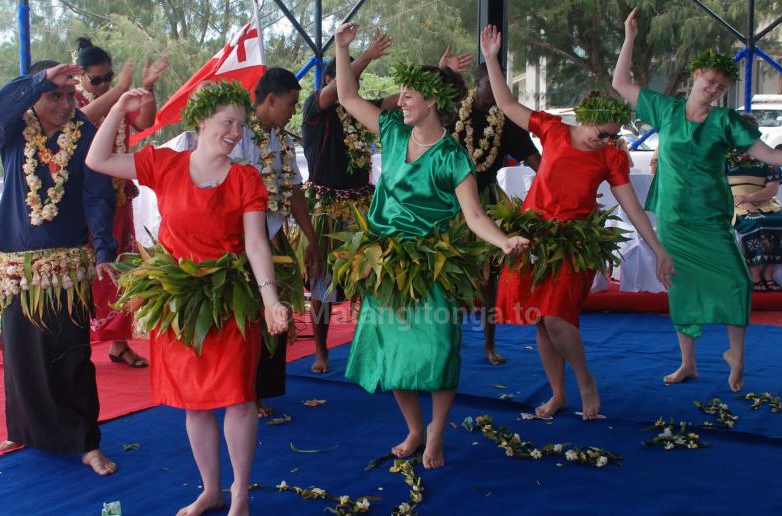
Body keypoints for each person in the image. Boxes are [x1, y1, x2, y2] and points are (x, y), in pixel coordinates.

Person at [612, 7, 782, 391]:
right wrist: (630, 36)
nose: (714, 88)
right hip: (674, 218)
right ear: (695, 76)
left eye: (721, 85)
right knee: (681, 286)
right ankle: (688, 363)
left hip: (711, 218)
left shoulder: (727, 122)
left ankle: (735, 356)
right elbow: (620, 83)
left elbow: (769, 155)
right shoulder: (666, 110)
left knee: (738, 281)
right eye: (710, 80)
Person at [86, 81, 288, 516]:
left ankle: (239, 494)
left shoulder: (245, 177)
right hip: (178, 303)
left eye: (241, 124)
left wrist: (270, 299)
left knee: (237, 397)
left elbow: (256, 244)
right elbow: (97, 159)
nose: (236, 132)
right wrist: (119, 109)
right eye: (227, 122)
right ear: (201, 121)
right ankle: (211, 489)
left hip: (229, 301)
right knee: (193, 402)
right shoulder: (165, 164)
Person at [334, 22, 529, 469]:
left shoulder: (452, 156)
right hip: (388, 263)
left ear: (431, 102)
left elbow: (476, 216)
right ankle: (415, 429)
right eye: (400, 94)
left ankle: (436, 435)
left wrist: (503, 240)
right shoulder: (392, 131)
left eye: (408, 94)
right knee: (394, 353)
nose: (399, 100)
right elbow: (346, 97)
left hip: (432, 265)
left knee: (439, 352)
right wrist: (345, 50)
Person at [480, 26, 673, 420]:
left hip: (574, 243)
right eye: (604, 134)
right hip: (533, 239)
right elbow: (506, 103)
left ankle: (585, 380)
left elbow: (633, 208)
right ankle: (558, 393)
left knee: (555, 316)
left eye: (614, 136)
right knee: (541, 321)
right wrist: (491, 59)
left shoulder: (610, 158)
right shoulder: (552, 130)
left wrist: (659, 250)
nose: (607, 141)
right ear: (586, 119)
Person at [0, 61, 118, 475]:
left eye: (69, 95)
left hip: (65, 267)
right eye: (54, 96)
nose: (65, 104)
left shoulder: (85, 135)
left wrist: (104, 250)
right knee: (20, 357)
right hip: (16, 268)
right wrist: (39, 79)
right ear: (35, 96)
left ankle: (85, 442)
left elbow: (99, 196)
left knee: (72, 355)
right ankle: (25, 429)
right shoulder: (12, 130)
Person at [163, 68, 318, 418]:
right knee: (242, 318)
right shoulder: (234, 134)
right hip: (232, 245)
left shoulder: (283, 140)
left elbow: (293, 190)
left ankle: (259, 390)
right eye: (291, 103)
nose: (294, 110)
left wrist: (310, 239)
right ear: (271, 99)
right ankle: (237, 391)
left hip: (272, 237)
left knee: (273, 316)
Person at [301, 30, 395, 374]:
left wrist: (435, 77)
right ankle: (321, 351)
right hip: (327, 208)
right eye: (343, 76)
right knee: (323, 285)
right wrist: (365, 54)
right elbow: (340, 87)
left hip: (361, 209)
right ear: (330, 81)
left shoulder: (359, 110)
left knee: (370, 279)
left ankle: (371, 346)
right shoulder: (314, 109)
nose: (349, 85)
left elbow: (394, 100)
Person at [73, 37, 169, 367]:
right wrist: (117, 94)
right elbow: (80, 120)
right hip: (82, 205)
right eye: (96, 80)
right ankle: (77, 344)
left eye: (108, 78)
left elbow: (143, 122)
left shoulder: (119, 96)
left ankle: (119, 343)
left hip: (116, 197)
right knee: (85, 273)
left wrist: (147, 87)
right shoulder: (69, 101)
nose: (103, 85)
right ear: (80, 78)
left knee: (121, 269)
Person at [451, 62, 542, 366]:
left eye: (502, 84)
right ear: (476, 82)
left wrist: (555, 181)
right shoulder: (453, 113)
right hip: (452, 203)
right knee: (451, 273)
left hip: (488, 202)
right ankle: (452, 338)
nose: (498, 91)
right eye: (491, 83)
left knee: (490, 277)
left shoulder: (505, 120)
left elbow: (534, 159)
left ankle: (490, 343)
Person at [727, 116, 782, 292]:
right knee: (755, 223)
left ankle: (768, 272)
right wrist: (740, 201)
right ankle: (754, 273)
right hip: (734, 201)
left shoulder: (767, 158)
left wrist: (750, 198)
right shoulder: (724, 157)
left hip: (763, 201)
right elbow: (716, 185)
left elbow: (773, 189)